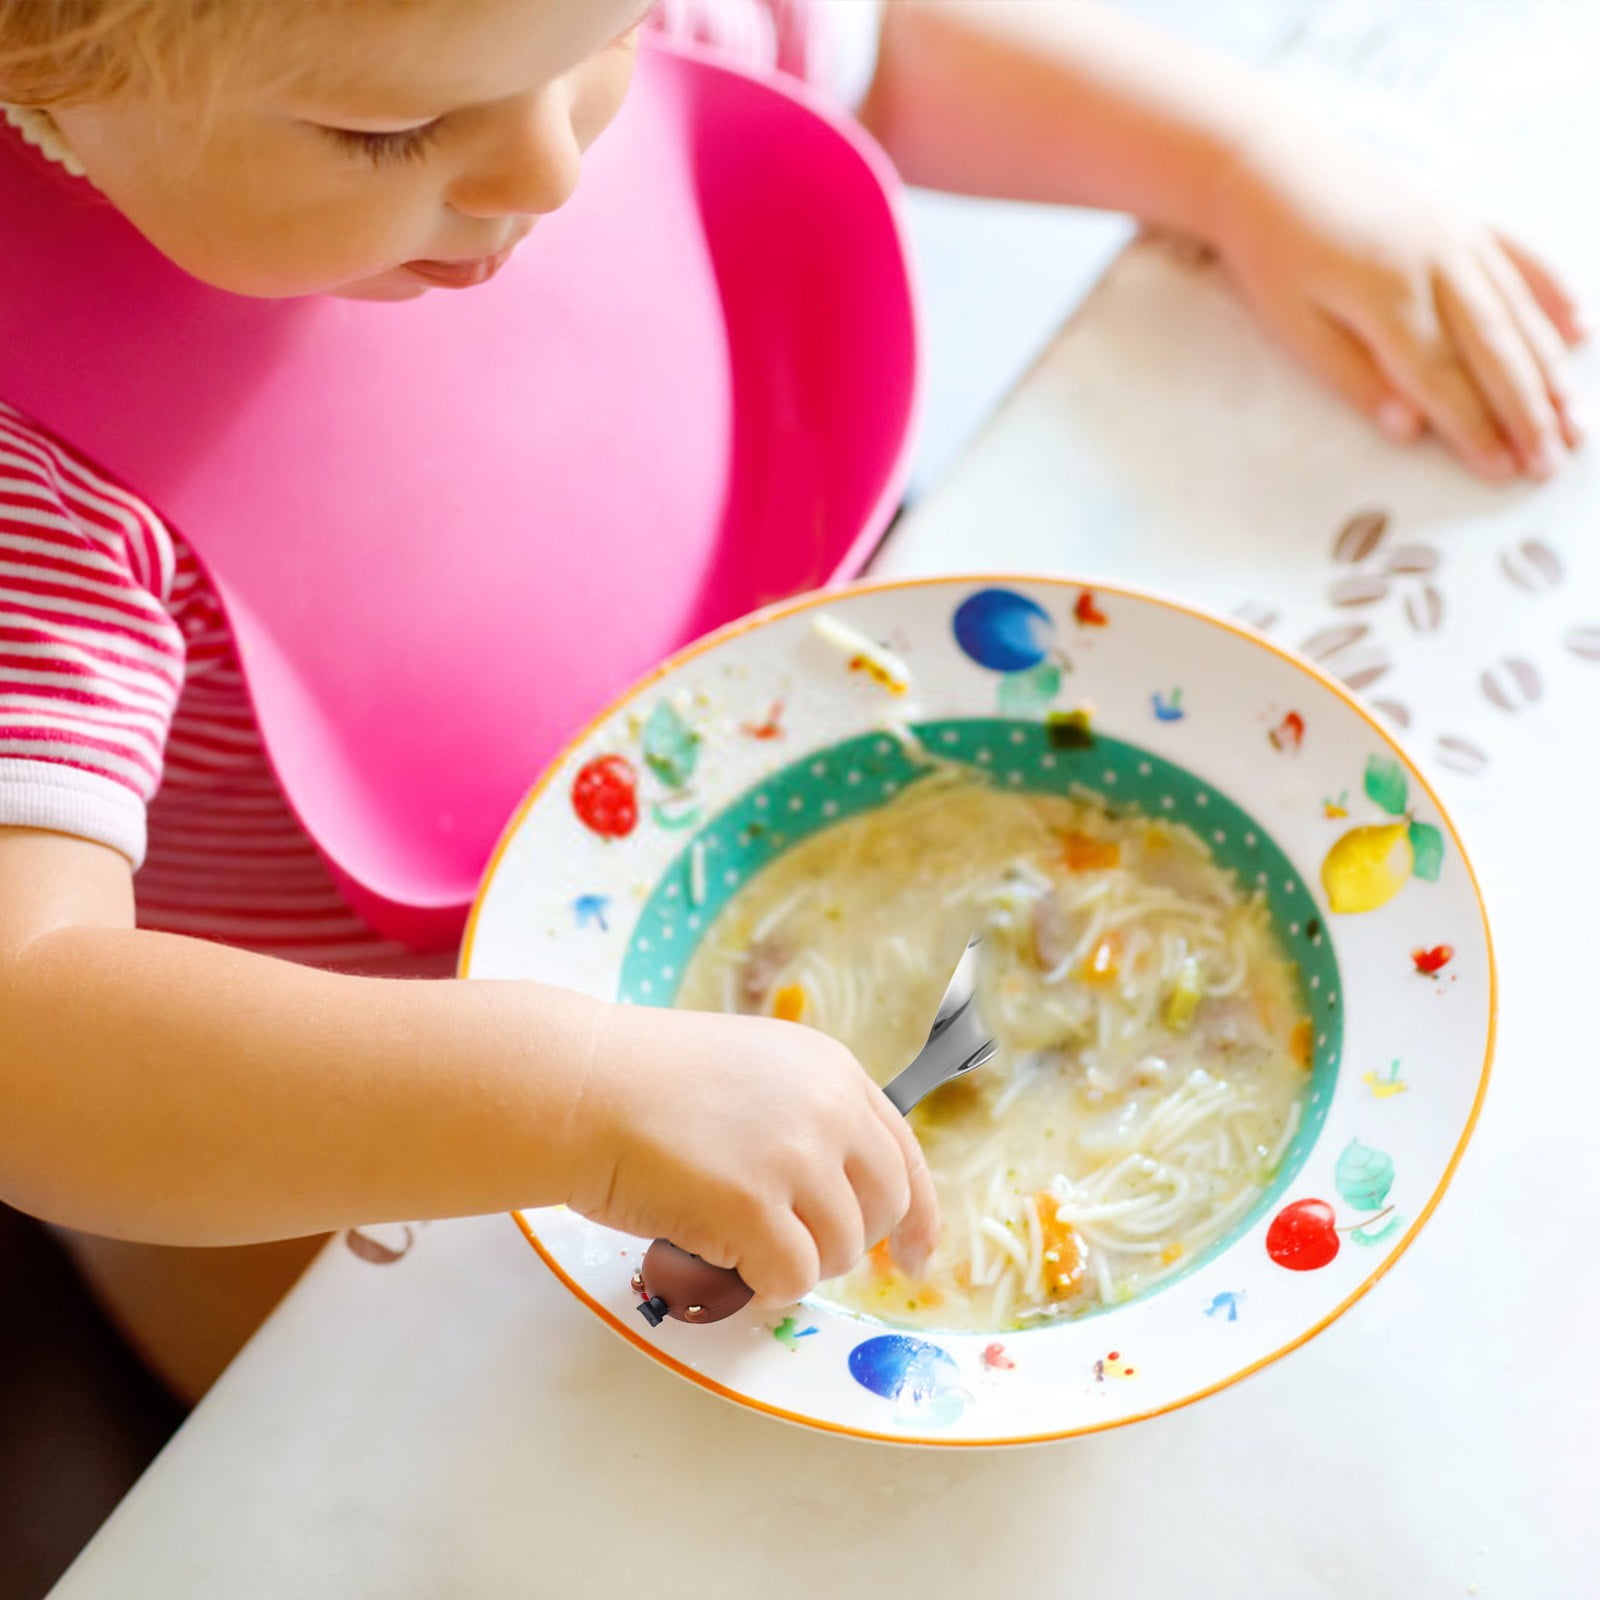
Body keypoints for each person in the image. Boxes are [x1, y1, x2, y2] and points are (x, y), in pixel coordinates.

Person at [0, 0, 1580, 1404]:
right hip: (368, 1154)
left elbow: (893, 48)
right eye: (390, 130)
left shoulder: (508, 47)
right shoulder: (36, 483)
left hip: (799, 825)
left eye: (604, 40)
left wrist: (1237, 165)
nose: (551, 168)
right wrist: (577, 1104)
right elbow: (32, 1042)